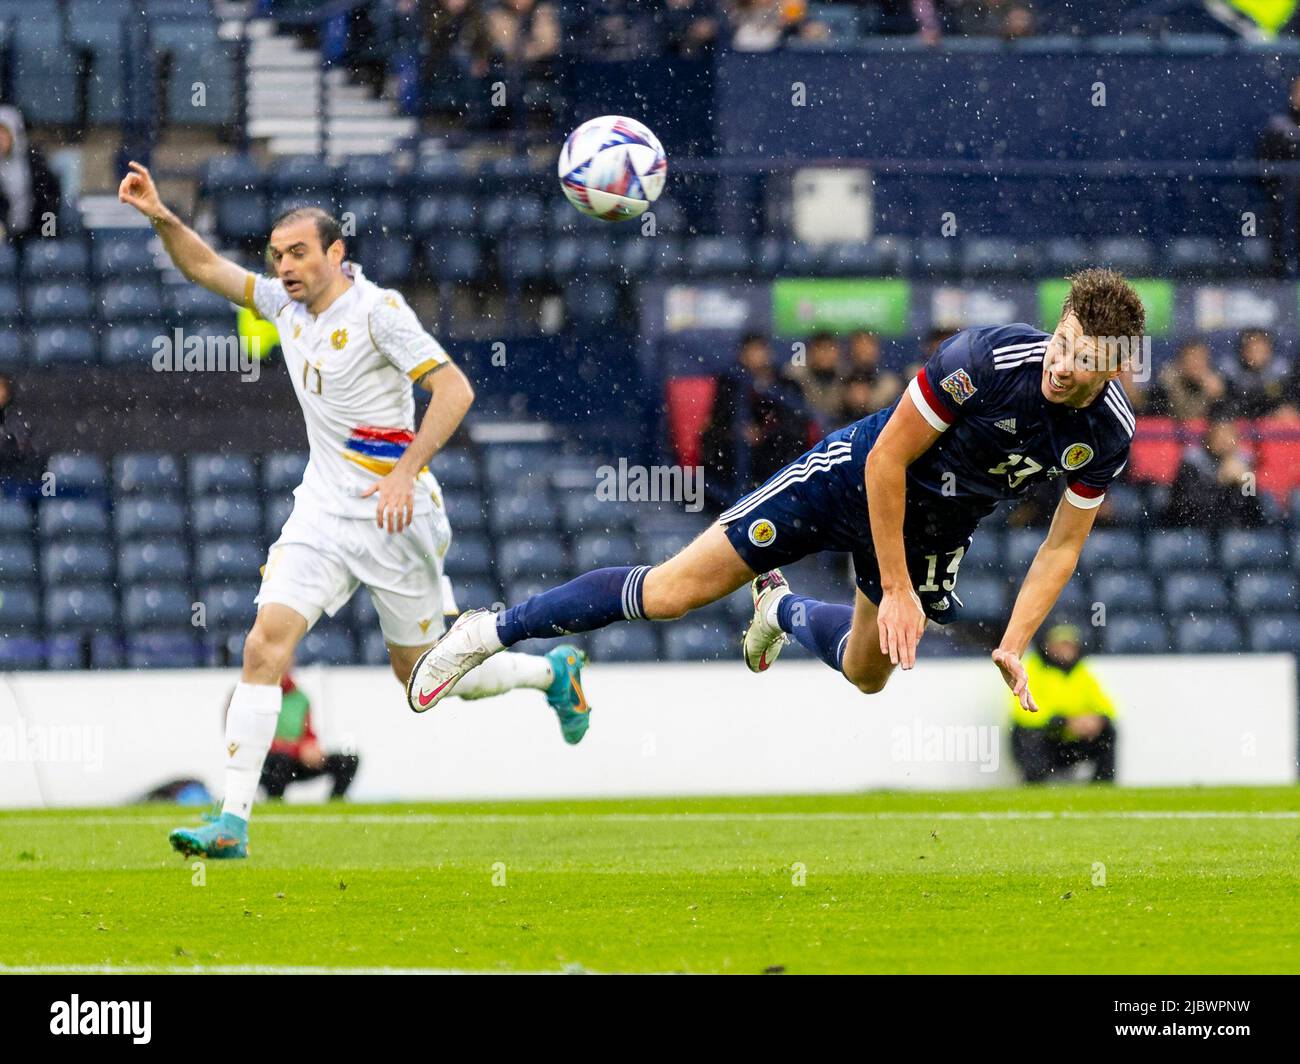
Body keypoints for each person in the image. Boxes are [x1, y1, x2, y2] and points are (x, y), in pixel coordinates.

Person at [116, 162, 592, 861]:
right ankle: (232, 823)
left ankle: (551, 672)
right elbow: (208, 270)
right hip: (322, 512)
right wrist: (161, 214)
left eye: (299, 253)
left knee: (423, 677)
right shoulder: (285, 306)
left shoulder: (378, 313)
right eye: (278, 255)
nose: (285, 267)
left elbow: (454, 390)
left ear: (336, 254)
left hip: (395, 517)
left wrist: (406, 471)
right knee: (262, 647)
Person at [409, 269, 1143, 718]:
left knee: (866, 676)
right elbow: (887, 461)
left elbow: (1062, 544)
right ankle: (491, 631)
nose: (1063, 366)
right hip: (855, 476)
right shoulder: (983, 359)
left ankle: (781, 609)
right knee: (671, 593)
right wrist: (894, 586)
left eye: (1085, 363)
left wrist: (1015, 643)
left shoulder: (1107, 432)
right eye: (1064, 343)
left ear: (1113, 372)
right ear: (1059, 324)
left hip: (935, 528)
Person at [699, 332, 809, 511]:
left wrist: (764, 432)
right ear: (742, 355)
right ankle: (734, 506)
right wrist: (740, 430)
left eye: (761, 350)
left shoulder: (785, 383)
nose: (758, 356)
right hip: (736, 447)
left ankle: (780, 501)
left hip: (773, 446)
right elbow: (719, 419)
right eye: (752, 351)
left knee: (789, 444)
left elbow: (793, 421)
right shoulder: (729, 382)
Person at [1009, 624, 1117, 784]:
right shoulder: (1031, 668)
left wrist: (1097, 720)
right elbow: (1021, 710)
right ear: (1048, 645)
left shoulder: (1081, 671)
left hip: (1071, 741)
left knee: (1108, 730)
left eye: (1070, 644)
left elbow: (1106, 706)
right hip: (1047, 740)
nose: (1066, 649)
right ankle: (1034, 784)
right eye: (1061, 644)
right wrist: (1062, 722)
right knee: (1029, 735)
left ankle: (1102, 786)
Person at [1162, 401, 1269, 528]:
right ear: (1209, 435)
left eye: (1229, 433)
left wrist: (1247, 481)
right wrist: (1220, 481)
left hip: (1234, 532)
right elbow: (1187, 509)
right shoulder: (1191, 461)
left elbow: (1254, 512)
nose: (1224, 440)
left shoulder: (1244, 461)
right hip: (1197, 531)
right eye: (1219, 433)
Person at [259, 674, 360, 801]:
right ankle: (274, 801)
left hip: (295, 761)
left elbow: (307, 731)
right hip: (267, 762)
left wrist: (313, 746)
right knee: (280, 761)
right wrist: (297, 750)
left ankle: (335, 804)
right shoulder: (258, 696)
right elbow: (259, 740)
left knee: (348, 760)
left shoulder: (301, 697)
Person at [0, 106, 62, 246]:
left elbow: (50, 201)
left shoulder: (34, 162)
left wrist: (48, 234)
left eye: (4, 133)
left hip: (34, 234)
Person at [1147, 338, 1226, 421]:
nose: (1195, 363)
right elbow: (1183, 416)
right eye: (1191, 358)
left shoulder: (1218, 383)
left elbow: (1225, 418)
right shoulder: (1166, 383)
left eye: (1199, 359)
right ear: (1181, 361)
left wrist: (1218, 396)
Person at [784, 331, 846, 428]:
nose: (825, 355)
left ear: (837, 352)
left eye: (830, 349)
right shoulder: (796, 375)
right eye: (820, 348)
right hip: (804, 428)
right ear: (810, 352)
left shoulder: (847, 375)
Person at [1228, 328, 1291, 420]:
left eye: (1260, 350)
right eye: (1251, 349)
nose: (1256, 354)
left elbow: (1287, 405)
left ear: (1269, 351)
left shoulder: (1282, 373)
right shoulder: (1231, 374)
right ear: (1243, 351)